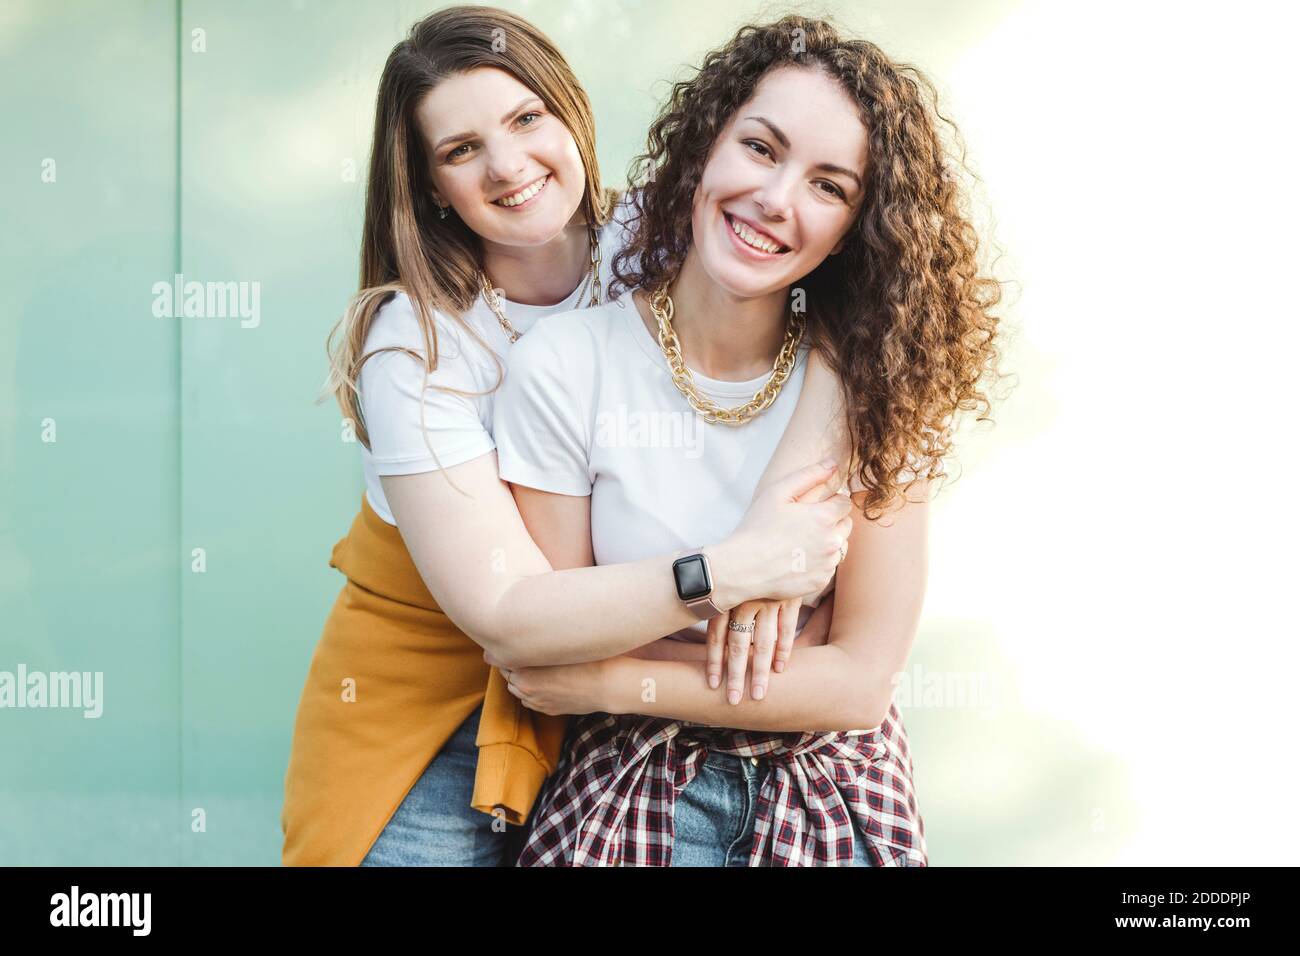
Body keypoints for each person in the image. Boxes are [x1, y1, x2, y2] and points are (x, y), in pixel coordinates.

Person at [281, 5, 853, 868]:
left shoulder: (661, 240)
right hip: (437, 711)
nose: (509, 166)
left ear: (569, 114)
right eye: (461, 149)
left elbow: (851, 321)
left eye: (524, 118)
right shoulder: (415, 345)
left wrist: (781, 515)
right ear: (430, 185)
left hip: (609, 708)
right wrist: (741, 568)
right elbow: (509, 617)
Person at [492, 14, 1006, 866]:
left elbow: (858, 683)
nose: (777, 199)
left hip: (835, 796)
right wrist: (757, 623)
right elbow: (552, 639)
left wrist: (621, 672)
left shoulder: (878, 383)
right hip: (632, 790)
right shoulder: (566, 367)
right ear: (704, 149)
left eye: (829, 186)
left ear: (857, 228)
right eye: (762, 149)